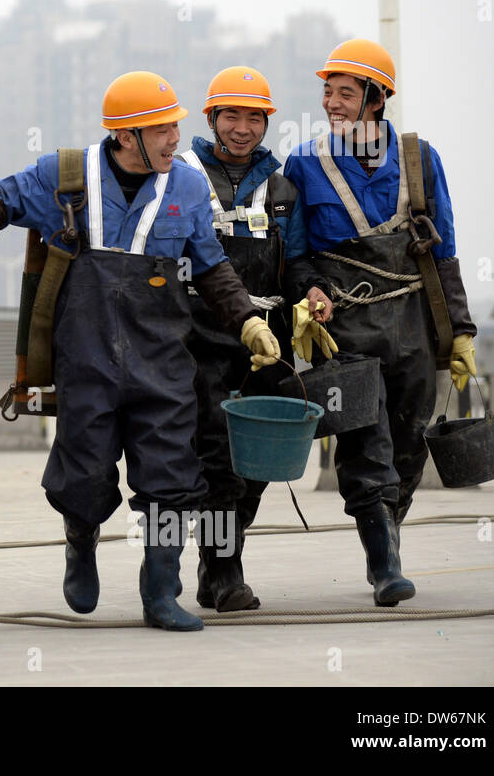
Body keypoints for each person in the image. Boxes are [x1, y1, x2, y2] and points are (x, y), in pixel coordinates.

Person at [0, 71, 281, 631]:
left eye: (176, 127)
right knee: (83, 474)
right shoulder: (66, 177)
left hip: (163, 362)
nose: (175, 139)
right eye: (162, 130)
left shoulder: (186, 187)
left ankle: (161, 590)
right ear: (127, 136)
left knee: (171, 478)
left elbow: (210, 265)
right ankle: (80, 542)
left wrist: (247, 319)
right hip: (87, 360)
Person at [283, 38, 476, 606]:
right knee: (365, 441)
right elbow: (295, 254)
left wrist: (460, 330)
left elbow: (444, 251)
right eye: (328, 92)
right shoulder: (303, 164)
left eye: (345, 93)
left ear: (376, 98)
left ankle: (389, 531)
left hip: (413, 324)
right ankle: (384, 566)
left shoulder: (420, 159)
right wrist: (309, 292)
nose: (332, 103)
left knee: (409, 441)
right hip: (343, 324)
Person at [178, 66, 326, 612]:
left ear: (267, 122)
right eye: (231, 116)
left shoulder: (283, 188)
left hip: (267, 346)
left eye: (254, 118)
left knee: (259, 460)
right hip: (197, 339)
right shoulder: (179, 175)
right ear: (210, 118)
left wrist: (312, 291)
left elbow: (298, 261)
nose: (242, 128)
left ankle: (217, 562)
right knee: (217, 457)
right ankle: (222, 572)